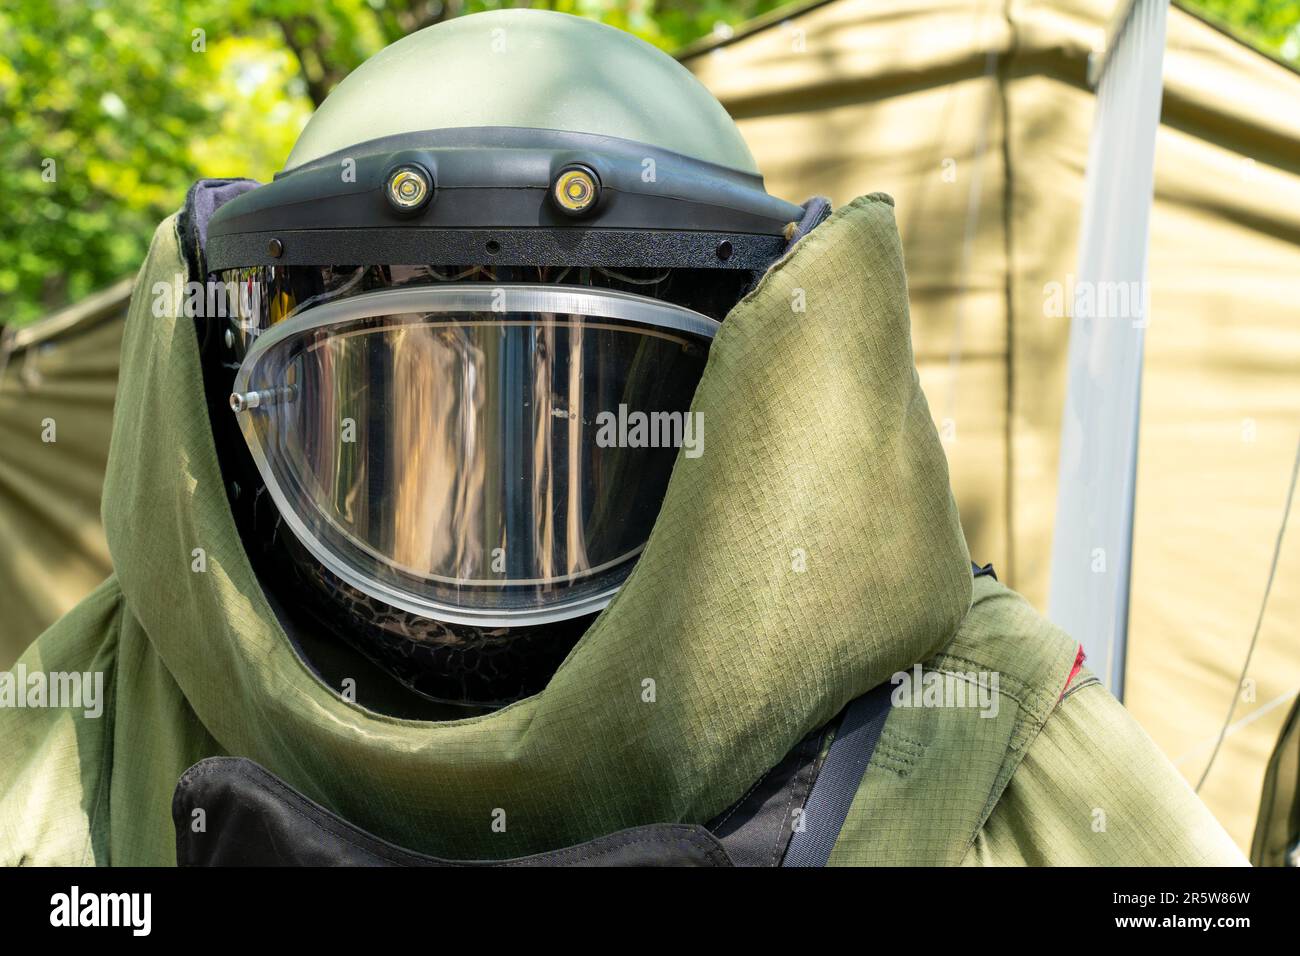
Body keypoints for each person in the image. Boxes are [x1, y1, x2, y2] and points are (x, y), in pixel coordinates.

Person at [0, 9, 1245, 866]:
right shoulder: (95, 707)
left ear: (754, 410)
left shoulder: (987, 736)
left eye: (572, 425)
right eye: (389, 421)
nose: (475, 535)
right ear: (243, 406)